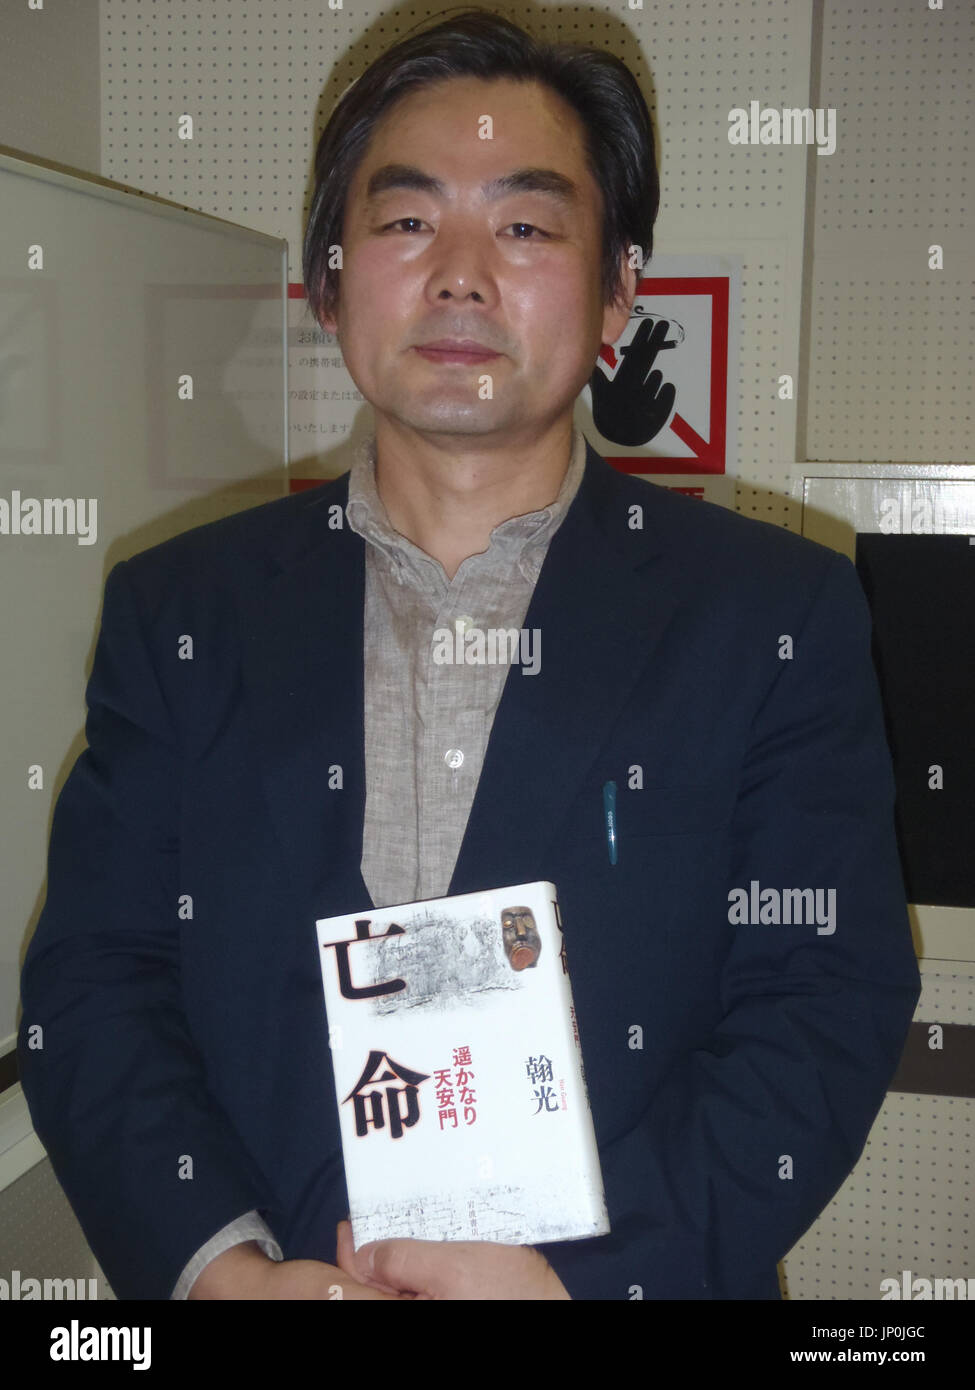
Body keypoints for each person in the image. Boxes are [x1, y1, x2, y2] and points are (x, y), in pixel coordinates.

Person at [18, 10, 920, 1301]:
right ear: (331, 281)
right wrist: (218, 1266)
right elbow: (97, 977)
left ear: (618, 290)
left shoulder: (775, 615)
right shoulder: (182, 610)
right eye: (405, 221)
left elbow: (822, 1000)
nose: (458, 273)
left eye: (526, 225)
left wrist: (583, 1280)